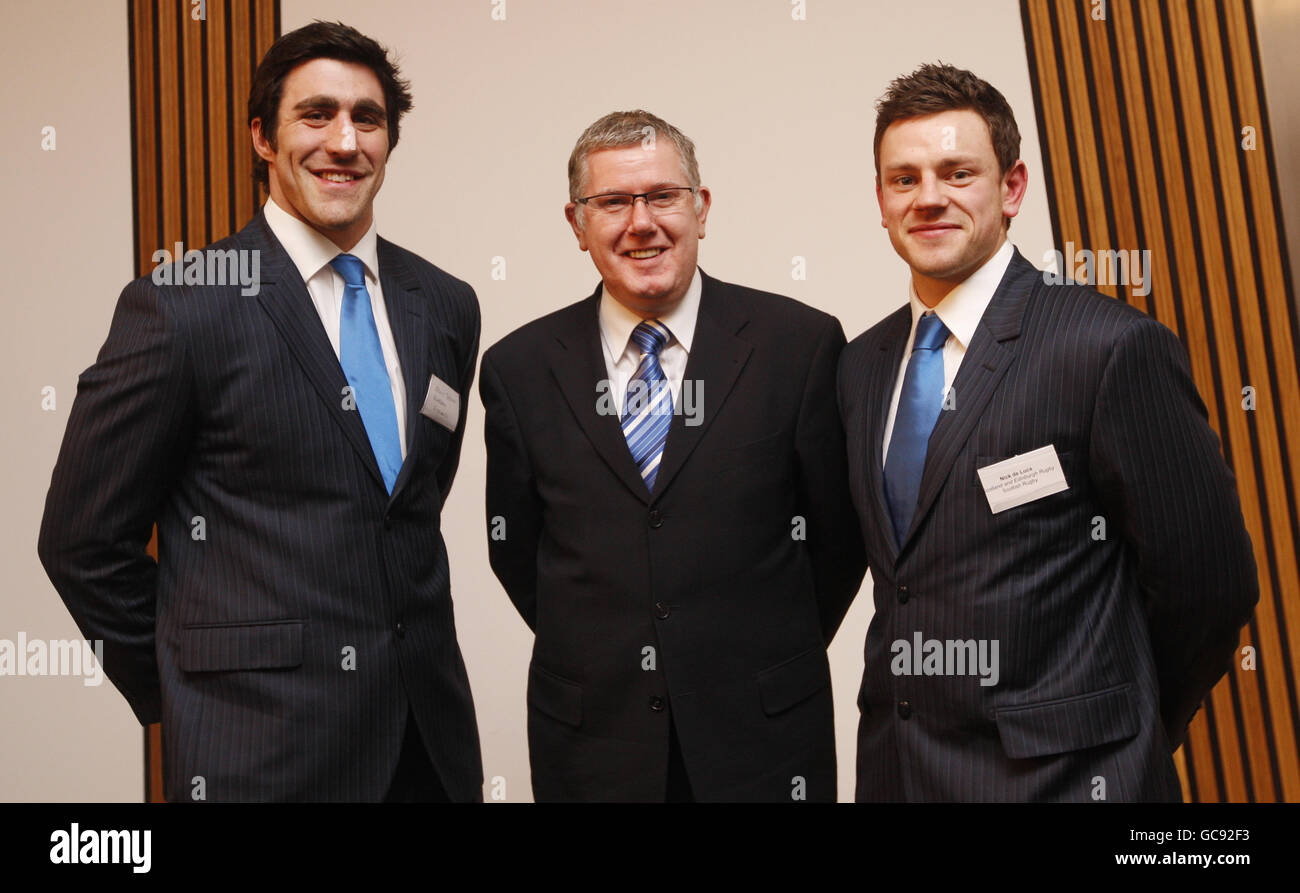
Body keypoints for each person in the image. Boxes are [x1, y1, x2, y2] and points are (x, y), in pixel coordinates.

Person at [38, 21, 483, 802]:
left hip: (429, 746)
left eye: (367, 119)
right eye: (316, 115)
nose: (344, 141)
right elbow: (80, 541)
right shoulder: (183, 306)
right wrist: (189, 684)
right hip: (259, 755)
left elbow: (401, 514)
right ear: (263, 138)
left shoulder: (444, 304)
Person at [839, 63, 1259, 801]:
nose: (928, 197)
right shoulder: (859, 367)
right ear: (879, 202)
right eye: (903, 179)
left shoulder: (1105, 347)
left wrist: (1123, 720)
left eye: (956, 172)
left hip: (1070, 779)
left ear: (1012, 188)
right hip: (901, 775)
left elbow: (1210, 584)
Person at [480, 110, 866, 802]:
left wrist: (757, 650)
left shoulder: (799, 345)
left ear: (702, 208)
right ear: (576, 223)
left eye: (663, 196)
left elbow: (837, 540)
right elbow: (518, 549)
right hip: (593, 743)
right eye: (613, 202)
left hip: (766, 738)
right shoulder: (519, 367)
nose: (642, 222)